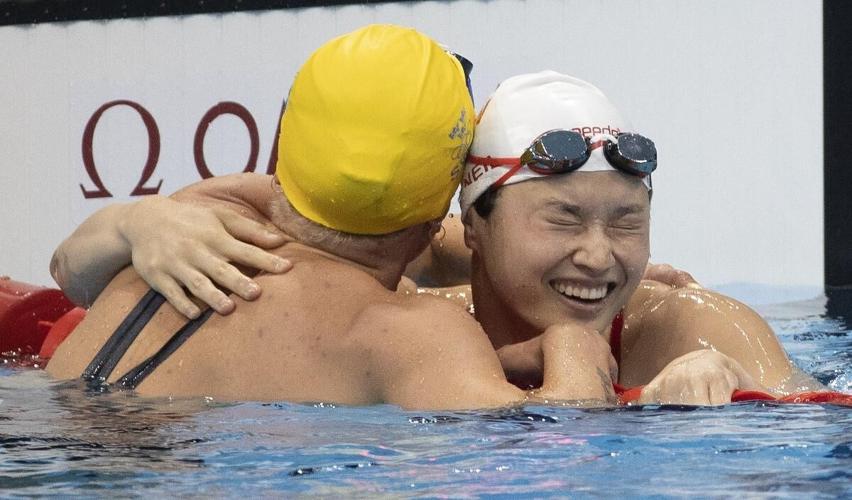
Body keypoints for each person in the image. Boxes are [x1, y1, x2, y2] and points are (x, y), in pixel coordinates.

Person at [51, 68, 831, 406]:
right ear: (471, 227)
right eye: (562, 219)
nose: (601, 255)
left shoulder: (688, 325)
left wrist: (733, 384)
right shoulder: (415, 303)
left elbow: (812, 419)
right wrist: (136, 217)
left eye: (626, 221)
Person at [46, 25, 615, 409]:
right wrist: (574, 347)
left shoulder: (198, 216)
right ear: (447, 197)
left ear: (286, 140)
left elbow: (69, 274)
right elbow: (552, 454)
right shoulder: (408, 335)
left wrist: (131, 221)